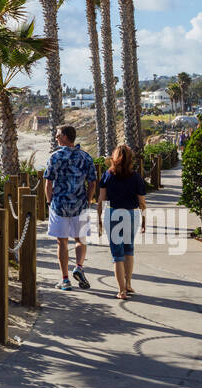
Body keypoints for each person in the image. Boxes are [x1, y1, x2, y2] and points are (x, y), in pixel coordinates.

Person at [44, 124, 97, 290]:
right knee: (80, 239)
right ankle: (79, 268)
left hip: (59, 205)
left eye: (58, 134)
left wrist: (49, 201)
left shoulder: (54, 157)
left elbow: (48, 183)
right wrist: (88, 200)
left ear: (66, 136)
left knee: (62, 243)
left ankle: (65, 280)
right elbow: (92, 182)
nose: (56, 137)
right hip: (80, 204)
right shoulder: (85, 157)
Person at [96, 144, 147, 299]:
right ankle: (129, 284)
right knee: (129, 250)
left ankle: (121, 290)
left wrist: (98, 218)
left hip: (113, 214)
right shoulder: (136, 177)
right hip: (131, 214)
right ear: (130, 160)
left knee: (117, 254)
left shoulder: (108, 175)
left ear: (114, 158)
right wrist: (144, 219)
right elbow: (142, 202)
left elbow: (101, 200)